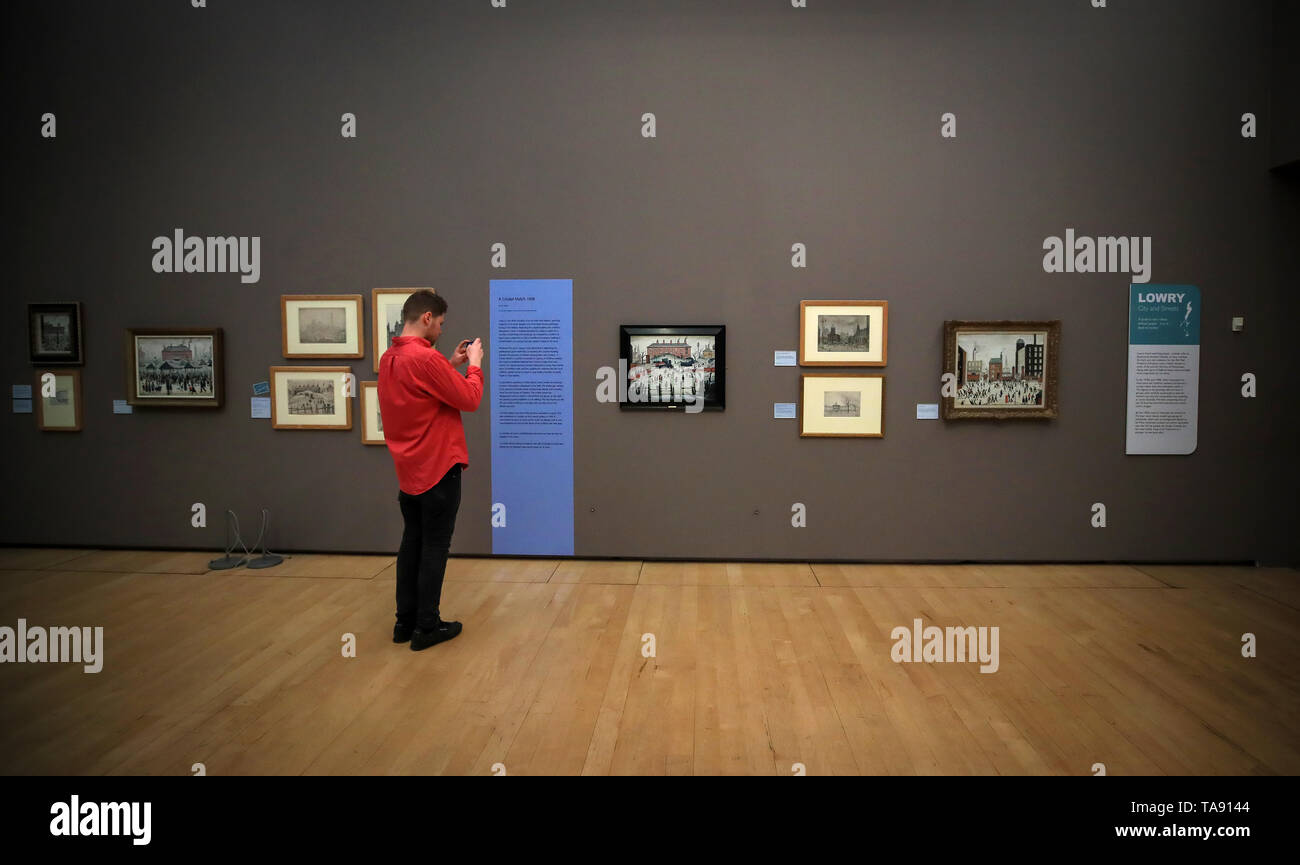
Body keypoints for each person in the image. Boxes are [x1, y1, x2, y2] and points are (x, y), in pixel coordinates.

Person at [377, 290, 485, 652]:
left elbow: (420, 391)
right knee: (435, 546)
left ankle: (403, 623)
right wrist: (474, 364)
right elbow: (470, 399)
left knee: (412, 543)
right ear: (426, 317)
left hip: (409, 471)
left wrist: (448, 365)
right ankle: (427, 626)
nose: (440, 329)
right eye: (439, 323)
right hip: (439, 468)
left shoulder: (390, 358)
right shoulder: (425, 359)